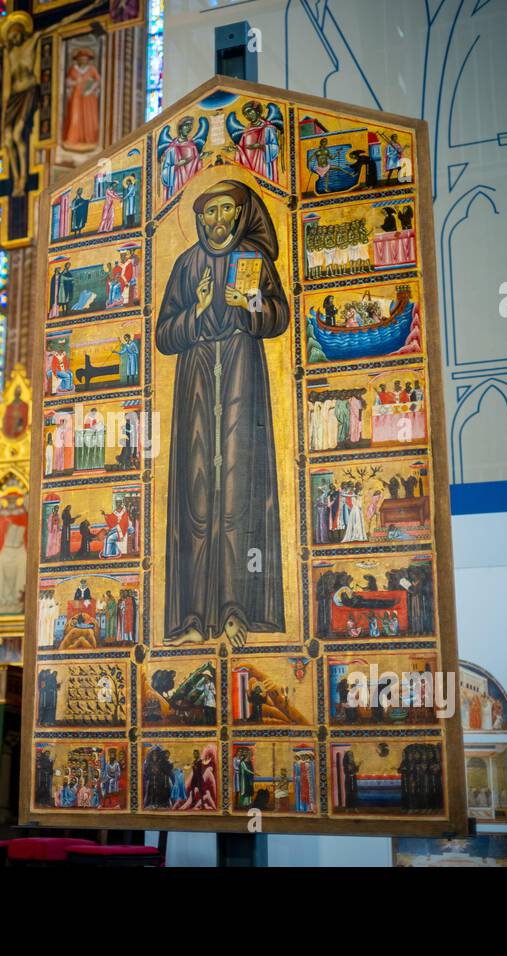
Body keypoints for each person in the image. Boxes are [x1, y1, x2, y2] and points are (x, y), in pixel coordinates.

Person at [156, 181, 288, 648]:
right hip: (195, 386)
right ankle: (192, 616)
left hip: (239, 379)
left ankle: (237, 611)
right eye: (209, 211)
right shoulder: (186, 264)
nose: (217, 219)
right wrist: (194, 310)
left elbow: (277, 315)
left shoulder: (251, 261)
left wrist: (246, 303)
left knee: (238, 495)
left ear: (238, 214)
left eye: (225, 209)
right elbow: (164, 335)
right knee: (195, 499)